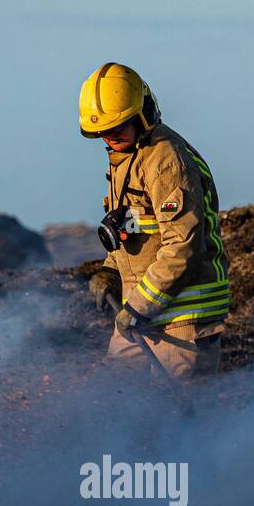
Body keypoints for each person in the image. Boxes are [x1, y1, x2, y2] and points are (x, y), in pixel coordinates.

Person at [79, 62, 229, 381]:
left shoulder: (166, 162)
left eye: (118, 126)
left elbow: (182, 248)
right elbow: (133, 228)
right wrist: (110, 271)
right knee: (115, 399)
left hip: (183, 320)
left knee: (177, 424)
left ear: (143, 114)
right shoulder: (125, 158)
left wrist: (138, 307)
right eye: (103, 131)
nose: (110, 136)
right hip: (142, 313)